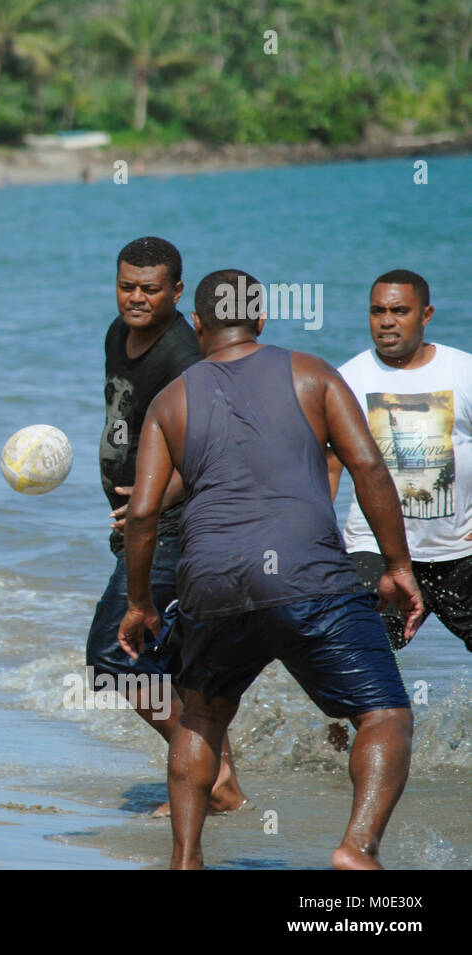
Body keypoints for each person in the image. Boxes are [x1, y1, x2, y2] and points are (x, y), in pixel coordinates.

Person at [119, 268, 423, 870]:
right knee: (383, 713)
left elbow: (144, 513)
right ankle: (357, 849)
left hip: (211, 585)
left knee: (202, 715)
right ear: (261, 320)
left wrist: (139, 604)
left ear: (197, 323)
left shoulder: (169, 399)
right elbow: (367, 468)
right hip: (310, 578)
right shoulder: (312, 373)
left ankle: (186, 859)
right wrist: (397, 565)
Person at [89, 236, 243, 815]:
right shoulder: (116, 332)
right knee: (171, 661)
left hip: (173, 525)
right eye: (126, 285)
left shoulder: (186, 356)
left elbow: (204, 445)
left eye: (150, 290)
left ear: (177, 293)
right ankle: (213, 777)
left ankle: (214, 776)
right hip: (140, 526)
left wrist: (152, 502)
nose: (136, 298)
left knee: (112, 655)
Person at [328, 270, 472, 653]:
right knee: (354, 653)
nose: (387, 321)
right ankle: (352, 715)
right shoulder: (348, 379)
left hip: (458, 551)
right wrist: (316, 534)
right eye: (377, 311)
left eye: (399, 311)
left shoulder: (463, 372)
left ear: (426, 315)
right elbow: (327, 463)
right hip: (375, 550)